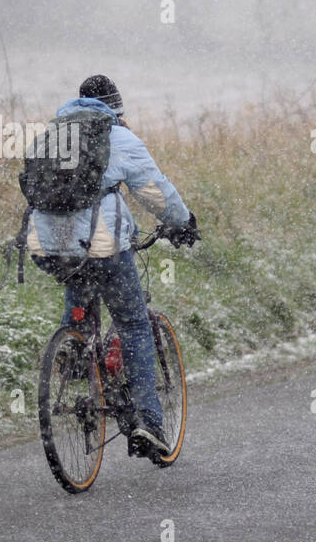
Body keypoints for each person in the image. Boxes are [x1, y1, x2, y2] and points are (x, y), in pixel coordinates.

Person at [26, 75, 198, 461]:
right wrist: (183, 222)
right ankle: (148, 422)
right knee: (133, 322)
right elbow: (154, 189)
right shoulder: (117, 137)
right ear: (117, 109)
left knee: (79, 289)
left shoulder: (50, 135)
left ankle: (74, 349)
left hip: (47, 245)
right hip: (101, 247)